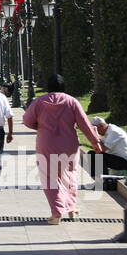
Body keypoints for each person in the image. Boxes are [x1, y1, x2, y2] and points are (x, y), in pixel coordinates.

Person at [21, 74, 102, 223]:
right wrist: (95, 142)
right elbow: (84, 123)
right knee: (70, 175)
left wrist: (39, 126)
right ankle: (71, 208)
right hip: (69, 144)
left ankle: (57, 212)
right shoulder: (72, 101)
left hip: (47, 143)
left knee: (50, 178)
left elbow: (27, 120)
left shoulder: (39, 102)